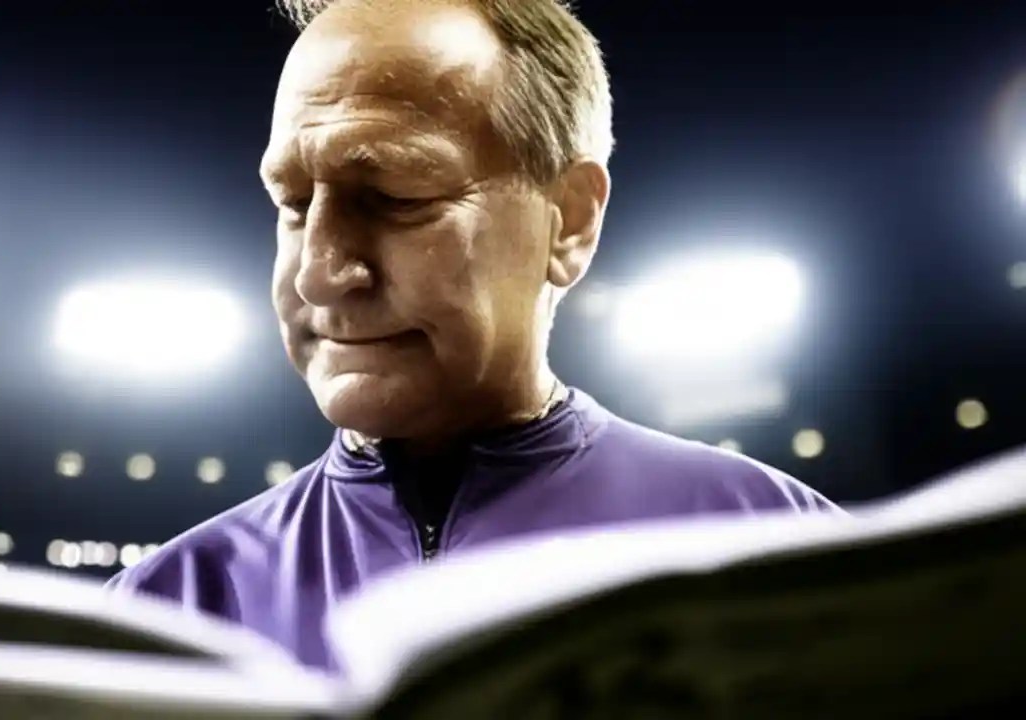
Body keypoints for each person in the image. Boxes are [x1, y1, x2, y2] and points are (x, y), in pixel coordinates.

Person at [108, 0, 840, 671]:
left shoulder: (786, 558)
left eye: (394, 198)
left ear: (572, 220)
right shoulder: (158, 616)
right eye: (295, 205)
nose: (320, 274)